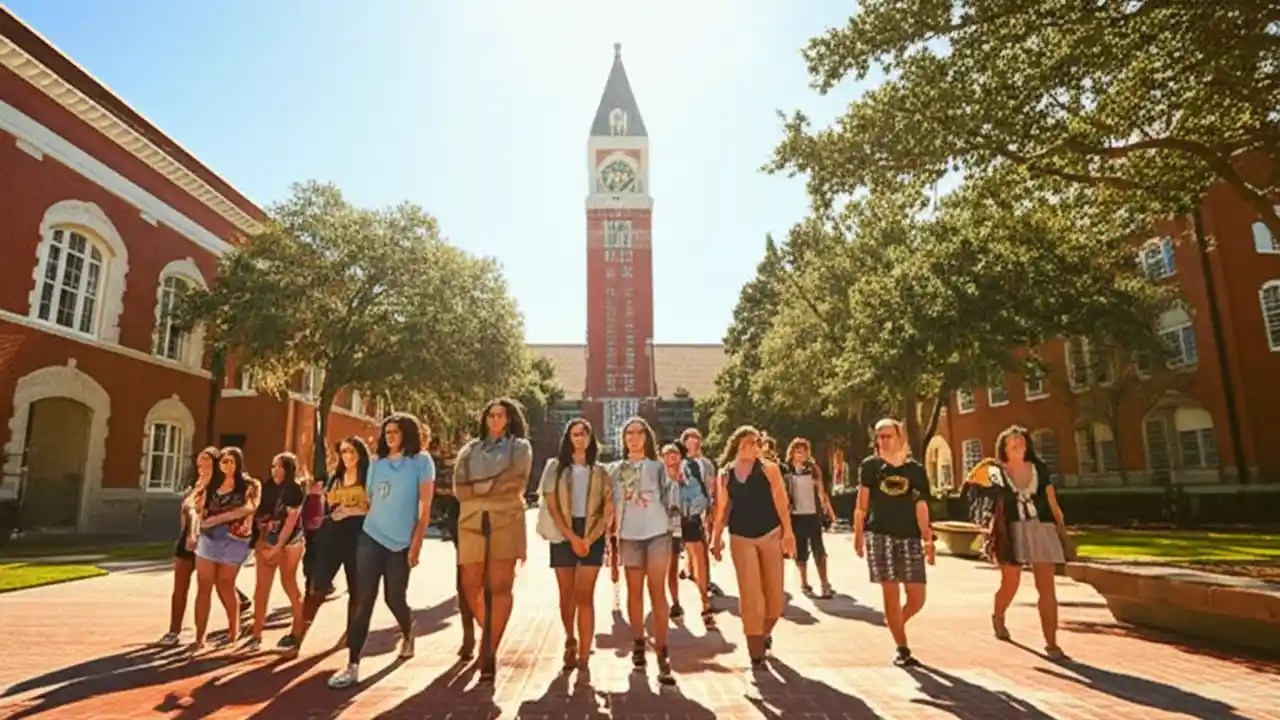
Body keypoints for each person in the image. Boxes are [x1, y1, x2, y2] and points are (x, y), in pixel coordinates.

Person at [328, 413, 436, 689]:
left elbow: (424, 507)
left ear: (407, 435)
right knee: (363, 599)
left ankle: (408, 632)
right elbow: (369, 502)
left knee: (394, 598)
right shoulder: (377, 464)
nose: (389, 437)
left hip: (400, 543)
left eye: (395, 432)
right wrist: (344, 510)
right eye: (386, 432)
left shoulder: (421, 462)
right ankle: (352, 665)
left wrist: (417, 543)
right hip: (371, 536)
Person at [967, 425, 1069, 660]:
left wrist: (1063, 533)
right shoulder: (995, 472)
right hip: (1011, 531)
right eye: (1011, 442)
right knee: (1010, 582)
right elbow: (983, 500)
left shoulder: (1040, 469)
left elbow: (1052, 503)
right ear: (1003, 447)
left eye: (1021, 441)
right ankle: (998, 615)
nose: (1017, 445)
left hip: (1041, 527)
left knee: (1046, 587)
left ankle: (1051, 643)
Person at [453, 398, 533, 683]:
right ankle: (489, 632)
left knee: (500, 585)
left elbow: (516, 481)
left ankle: (490, 649)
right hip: (471, 519)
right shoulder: (469, 450)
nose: (496, 420)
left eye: (502, 415)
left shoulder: (520, 448)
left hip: (507, 519)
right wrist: (488, 488)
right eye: (492, 415)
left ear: (510, 419)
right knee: (470, 584)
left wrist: (481, 488)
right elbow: (459, 487)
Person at [709, 425, 795, 666]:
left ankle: (764, 633)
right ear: (737, 445)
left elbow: (781, 501)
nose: (753, 447)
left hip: (770, 533)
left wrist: (788, 533)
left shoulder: (769, 470)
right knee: (750, 594)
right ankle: (755, 650)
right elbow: (722, 510)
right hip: (741, 536)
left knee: (775, 599)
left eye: (756, 443)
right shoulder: (726, 474)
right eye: (748, 443)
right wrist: (715, 539)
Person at [853, 418, 935, 667]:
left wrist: (927, 538)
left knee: (917, 597)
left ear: (900, 437)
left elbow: (921, 505)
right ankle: (902, 647)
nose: (883, 441)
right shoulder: (871, 467)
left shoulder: (915, 471)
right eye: (879, 436)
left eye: (888, 435)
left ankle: (894, 621)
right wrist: (858, 534)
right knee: (890, 590)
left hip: (909, 535)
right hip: (880, 534)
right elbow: (862, 504)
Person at [540, 418, 613, 672]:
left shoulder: (601, 472)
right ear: (568, 438)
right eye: (574, 434)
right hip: (564, 532)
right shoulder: (555, 468)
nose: (579, 438)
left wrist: (590, 539)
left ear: (591, 438)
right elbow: (551, 504)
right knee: (566, 594)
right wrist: (571, 536)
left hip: (592, 532)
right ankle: (570, 638)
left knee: (585, 596)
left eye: (583, 433)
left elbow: (608, 509)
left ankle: (584, 653)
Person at [158, 447, 251, 646]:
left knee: (218, 584)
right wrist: (189, 533)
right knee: (181, 586)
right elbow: (188, 511)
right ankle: (174, 631)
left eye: (207, 463)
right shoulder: (197, 488)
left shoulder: (224, 487)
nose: (202, 467)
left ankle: (234, 623)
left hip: (212, 540)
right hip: (189, 540)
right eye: (200, 463)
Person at [610, 416, 679, 685]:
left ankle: (663, 650)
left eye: (639, 432)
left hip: (658, 533)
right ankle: (639, 642)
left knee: (657, 590)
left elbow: (670, 496)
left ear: (646, 437)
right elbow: (608, 502)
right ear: (624, 438)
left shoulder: (657, 466)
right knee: (634, 591)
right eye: (629, 432)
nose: (634, 437)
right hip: (629, 535)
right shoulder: (617, 469)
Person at [301, 437, 370, 648]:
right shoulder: (336, 478)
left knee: (357, 589)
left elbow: (374, 506)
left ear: (360, 453)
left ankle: (353, 636)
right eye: (343, 451)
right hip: (334, 534)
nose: (347, 456)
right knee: (316, 584)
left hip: (359, 534)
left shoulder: (369, 477)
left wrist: (351, 510)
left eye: (351, 451)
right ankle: (299, 632)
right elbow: (329, 506)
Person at [192, 447, 261, 652]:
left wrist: (217, 519)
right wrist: (201, 488)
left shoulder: (250, 484)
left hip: (234, 539)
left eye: (231, 461)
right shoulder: (212, 484)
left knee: (225, 584)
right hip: (208, 537)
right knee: (204, 586)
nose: (227, 466)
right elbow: (197, 508)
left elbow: (249, 508)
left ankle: (233, 632)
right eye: (224, 462)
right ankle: (199, 638)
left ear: (238, 464)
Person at [246, 452, 306, 653]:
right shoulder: (267, 487)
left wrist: (278, 547)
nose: (275, 471)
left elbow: (291, 522)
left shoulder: (295, 490)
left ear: (289, 469)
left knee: (288, 581)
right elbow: (258, 515)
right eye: (273, 466)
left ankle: (298, 627)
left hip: (291, 541)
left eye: (280, 467)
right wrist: (261, 544)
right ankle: (256, 634)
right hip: (267, 538)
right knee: (261, 587)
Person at [663, 443, 714, 630]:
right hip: (668, 524)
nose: (672, 457)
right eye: (667, 454)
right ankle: (675, 603)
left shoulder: (689, 477)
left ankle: (705, 602)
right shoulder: (659, 480)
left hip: (689, 520)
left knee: (699, 557)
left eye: (675, 453)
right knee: (672, 563)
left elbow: (700, 498)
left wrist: (691, 511)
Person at [782, 438, 836, 598]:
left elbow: (821, 490)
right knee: (800, 551)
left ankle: (825, 583)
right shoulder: (786, 471)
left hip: (813, 514)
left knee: (819, 550)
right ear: (792, 453)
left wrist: (827, 508)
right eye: (799, 451)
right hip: (796, 515)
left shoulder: (813, 469)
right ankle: (804, 583)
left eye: (805, 451)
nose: (802, 455)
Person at [678, 428, 723, 598]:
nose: (694, 446)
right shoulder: (680, 464)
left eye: (697, 442)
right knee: (694, 547)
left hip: (704, 508)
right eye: (690, 443)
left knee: (702, 546)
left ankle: (704, 579)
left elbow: (711, 485)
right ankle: (692, 572)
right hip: (686, 511)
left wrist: (713, 506)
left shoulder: (707, 464)